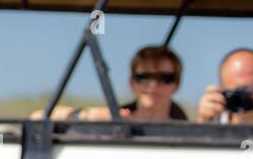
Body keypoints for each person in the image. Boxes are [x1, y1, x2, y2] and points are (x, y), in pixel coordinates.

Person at [40, 44, 189, 122]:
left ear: (177, 84)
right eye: (144, 77)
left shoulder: (189, 130)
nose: (153, 85)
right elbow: (38, 117)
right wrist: (87, 116)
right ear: (132, 82)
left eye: (165, 78)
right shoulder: (116, 119)